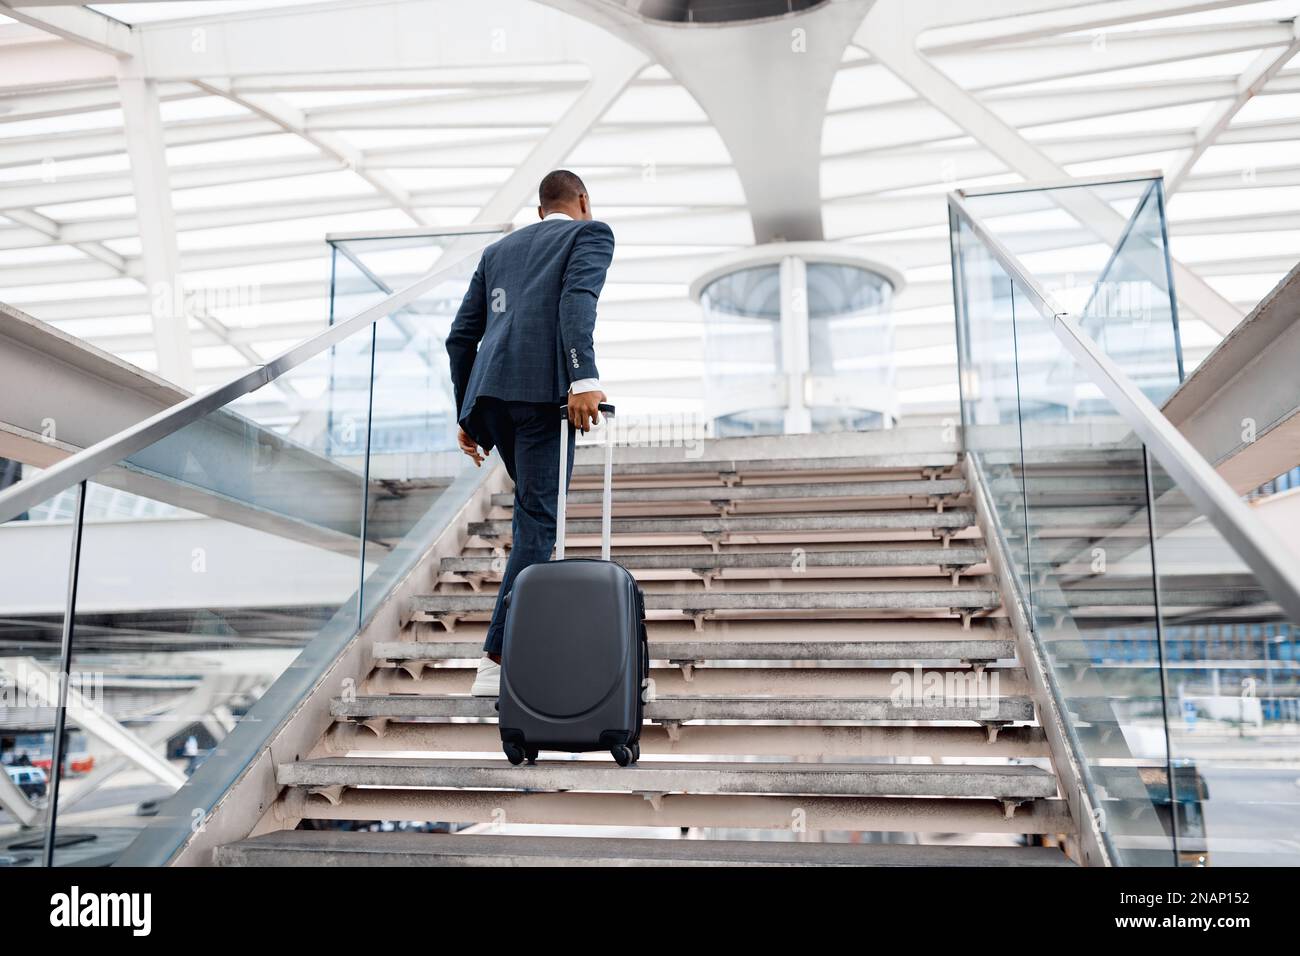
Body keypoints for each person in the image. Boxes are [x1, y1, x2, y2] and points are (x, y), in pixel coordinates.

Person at [446, 169, 614, 697]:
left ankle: (526, 642)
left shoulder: (498, 252)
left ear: (542, 209)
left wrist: (466, 414)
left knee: (534, 516)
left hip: (493, 399)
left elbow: (460, 337)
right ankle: (496, 657)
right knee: (541, 521)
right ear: (582, 201)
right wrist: (582, 376)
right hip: (543, 397)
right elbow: (576, 302)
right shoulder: (591, 233)